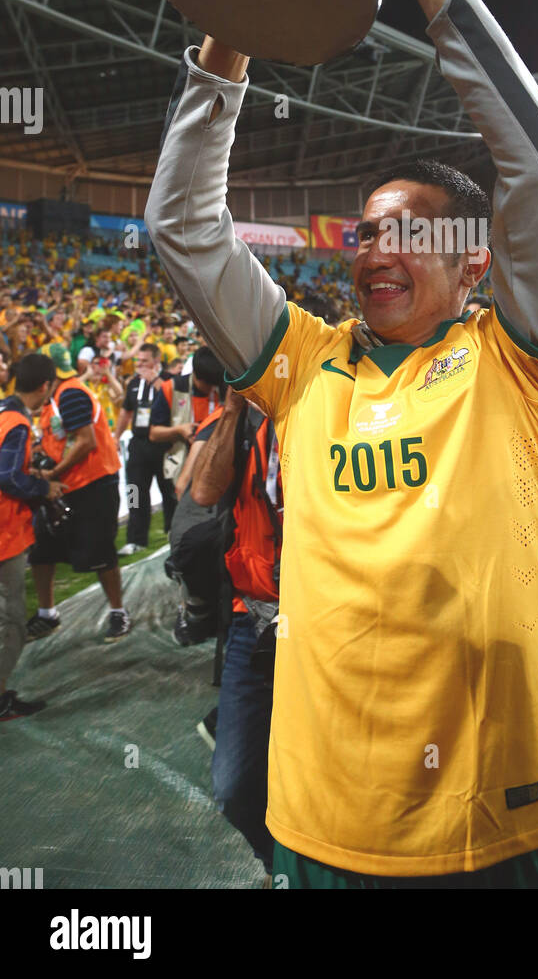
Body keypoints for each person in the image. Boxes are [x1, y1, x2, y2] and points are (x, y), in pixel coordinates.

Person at [144, 0, 538, 889]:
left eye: (408, 229)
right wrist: (234, 21)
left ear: (471, 257)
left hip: (493, 822)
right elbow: (182, 228)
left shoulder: (522, 363)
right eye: (363, 231)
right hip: (321, 821)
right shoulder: (303, 364)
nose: (375, 248)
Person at [189, 387, 283, 880]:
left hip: (329, 620)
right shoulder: (242, 421)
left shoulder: (342, 405)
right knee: (233, 784)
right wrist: (231, 409)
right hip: (255, 620)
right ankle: (278, 864)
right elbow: (203, 491)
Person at [27, 352, 130, 644]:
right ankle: (47, 613)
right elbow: (59, 439)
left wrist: (53, 473)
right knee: (42, 550)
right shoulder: (58, 396)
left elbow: (86, 441)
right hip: (67, 484)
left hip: (91, 484)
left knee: (100, 553)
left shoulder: (68, 393)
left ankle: (118, 611)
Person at [0, 355, 65, 720]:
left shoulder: (3, 413)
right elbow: (8, 476)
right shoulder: (17, 423)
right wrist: (44, 487)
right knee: (10, 620)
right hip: (4, 533)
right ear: (45, 386)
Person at [115, 343, 186, 554]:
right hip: (138, 444)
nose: (139, 365)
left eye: (144, 361)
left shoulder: (169, 381)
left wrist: (154, 381)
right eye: (138, 360)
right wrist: (116, 437)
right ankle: (135, 539)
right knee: (135, 491)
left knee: (168, 492)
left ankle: (173, 532)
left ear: (156, 361)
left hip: (164, 444)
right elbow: (125, 412)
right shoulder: (133, 383)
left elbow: (175, 404)